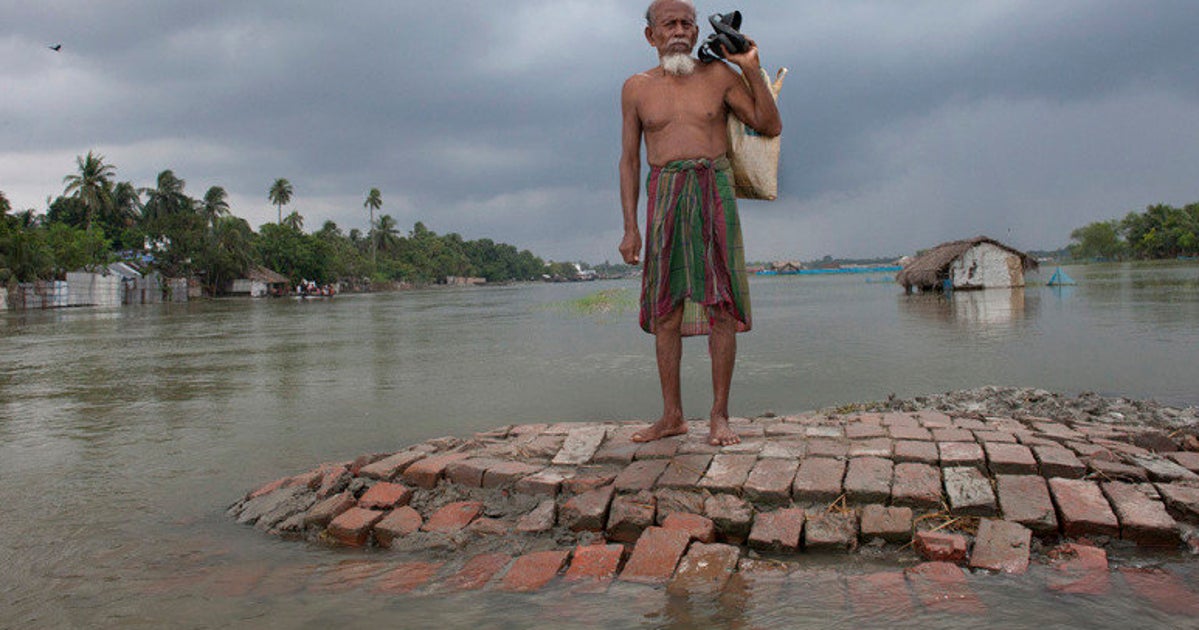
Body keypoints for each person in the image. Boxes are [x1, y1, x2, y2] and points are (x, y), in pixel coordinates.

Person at [619, 0, 782, 446]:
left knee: (722, 308)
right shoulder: (636, 88)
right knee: (665, 309)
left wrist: (751, 65)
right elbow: (629, 161)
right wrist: (630, 227)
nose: (680, 31)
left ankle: (719, 416)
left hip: (714, 188)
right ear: (650, 35)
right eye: (668, 24)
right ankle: (672, 416)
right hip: (665, 194)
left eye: (687, 24)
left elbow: (770, 124)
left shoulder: (719, 78)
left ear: (697, 32)